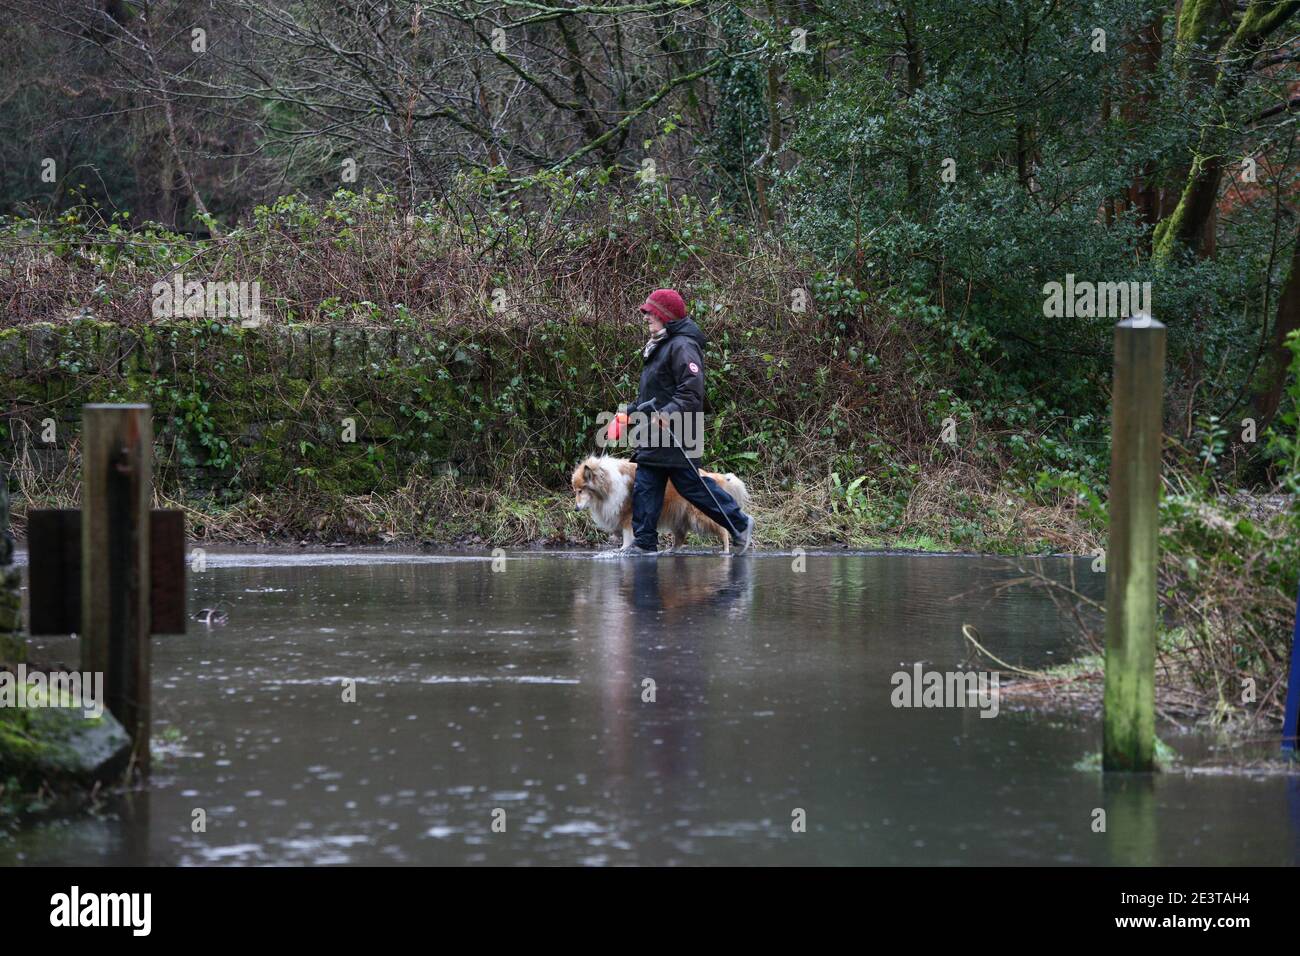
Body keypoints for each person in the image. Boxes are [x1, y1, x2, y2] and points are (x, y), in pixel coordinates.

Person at [621, 288, 754, 555]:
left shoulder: (682, 345)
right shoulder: (662, 344)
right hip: (656, 431)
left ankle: (739, 523)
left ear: (665, 316)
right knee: (647, 483)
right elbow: (655, 394)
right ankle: (644, 543)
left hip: (678, 431)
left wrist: (668, 414)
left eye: (651, 313)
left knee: (690, 486)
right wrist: (627, 413)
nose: (646, 317)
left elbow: (692, 390)